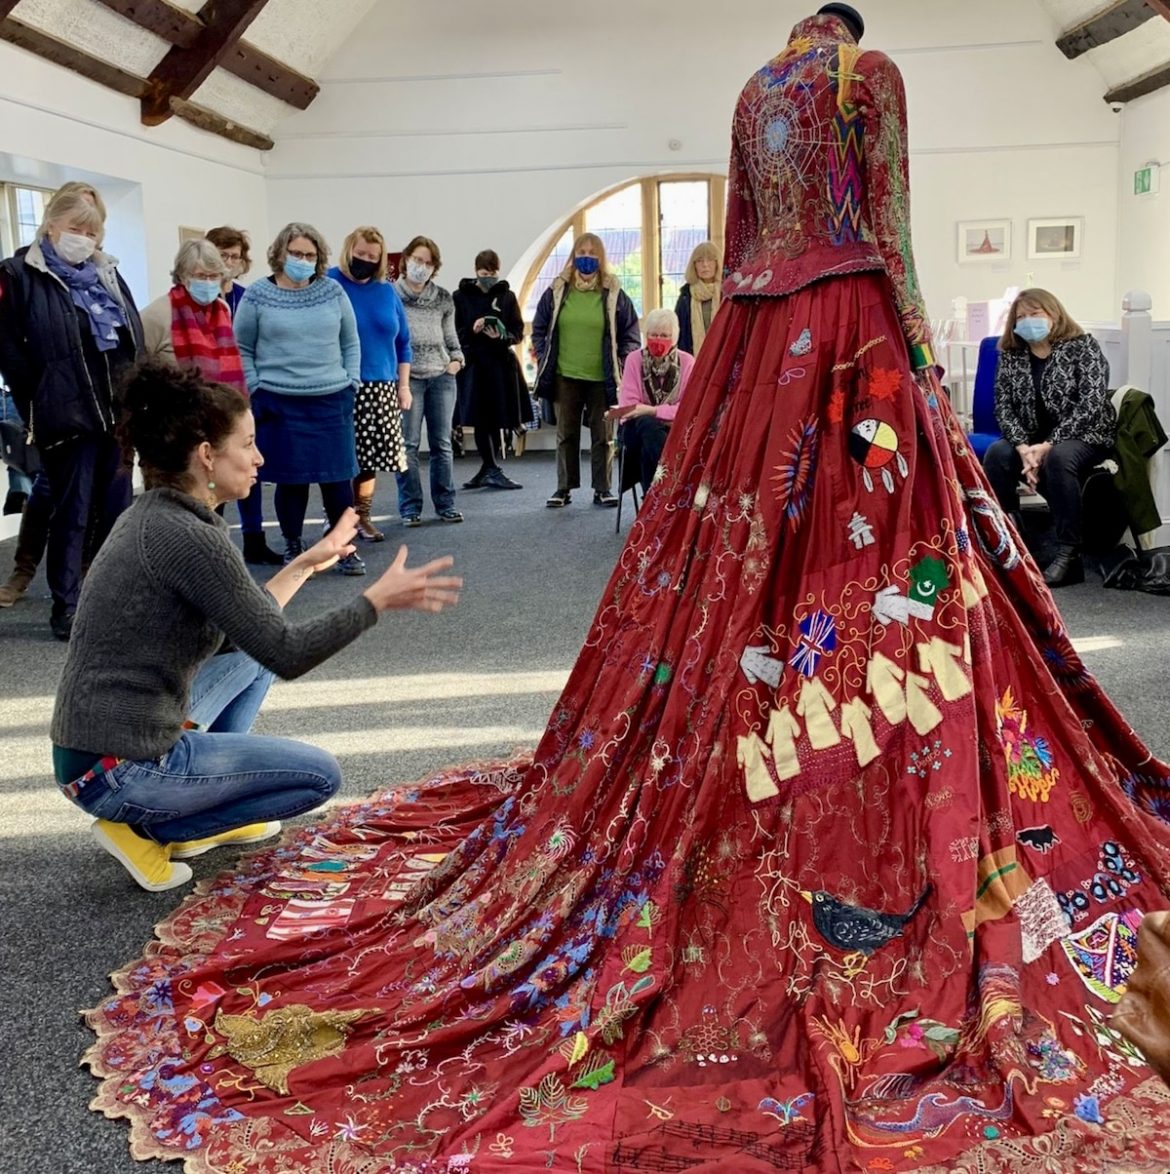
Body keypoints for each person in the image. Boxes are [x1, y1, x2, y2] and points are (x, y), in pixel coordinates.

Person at [81, 5, 1170, 1171]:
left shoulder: (754, 95)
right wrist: (923, 381)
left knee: (730, 567)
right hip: (852, 335)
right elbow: (889, 233)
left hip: (759, 344)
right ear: (847, 31)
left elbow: (753, 232)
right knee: (874, 553)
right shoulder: (872, 76)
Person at [51, 361, 461, 892]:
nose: (259, 457)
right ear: (206, 456)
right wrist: (376, 601)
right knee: (319, 776)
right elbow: (287, 652)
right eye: (247, 444)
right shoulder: (189, 535)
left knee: (249, 653)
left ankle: (192, 794)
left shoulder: (156, 514)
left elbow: (248, 630)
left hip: (94, 747)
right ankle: (154, 828)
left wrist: (305, 565)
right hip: (119, 766)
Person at [0, 182, 142, 640]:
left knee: (116, 510)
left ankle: (107, 597)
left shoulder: (107, 273)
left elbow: (128, 337)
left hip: (117, 413)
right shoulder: (18, 274)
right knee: (72, 511)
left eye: (93, 231)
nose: (85, 238)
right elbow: (9, 350)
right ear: (51, 223)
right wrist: (39, 398)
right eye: (77, 228)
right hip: (65, 415)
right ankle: (68, 605)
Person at [140, 240, 283, 565]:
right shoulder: (158, 314)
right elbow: (138, 374)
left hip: (215, 428)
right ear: (182, 275)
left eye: (213, 276)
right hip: (172, 435)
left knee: (211, 503)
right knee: (175, 511)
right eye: (200, 275)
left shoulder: (222, 310)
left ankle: (203, 565)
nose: (207, 283)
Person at [234, 223, 365, 573]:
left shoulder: (333, 291)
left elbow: (350, 343)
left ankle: (343, 547)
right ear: (280, 253)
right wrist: (255, 387)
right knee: (292, 482)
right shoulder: (258, 295)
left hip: (331, 398)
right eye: (296, 254)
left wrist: (351, 381)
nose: (303, 260)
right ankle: (293, 544)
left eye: (309, 255)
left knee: (338, 482)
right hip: (279, 402)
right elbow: (242, 346)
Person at [982, 288, 1114, 588]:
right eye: (1021, 316)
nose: (1028, 321)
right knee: (997, 455)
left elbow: (1091, 404)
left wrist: (1048, 444)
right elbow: (1003, 406)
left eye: (1035, 313)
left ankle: (1069, 554)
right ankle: (1012, 541)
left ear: (1054, 314)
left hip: (1084, 434)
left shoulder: (1083, 346)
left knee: (1059, 456)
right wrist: (1022, 447)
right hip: (1031, 439)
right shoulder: (1011, 354)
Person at [532, 232, 641, 508]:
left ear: (601, 258)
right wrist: (545, 355)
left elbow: (631, 332)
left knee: (602, 436)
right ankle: (563, 488)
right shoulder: (558, 289)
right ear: (573, 255)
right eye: (582, 252)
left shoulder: (613, 291)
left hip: (601, 376)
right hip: (564, 375)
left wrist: (622, 360)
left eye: (593, 253)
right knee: (565, 434)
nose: (587, 258)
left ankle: (602, 488)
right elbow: (539, 328)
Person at [328, 227, 412, 542]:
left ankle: (361, 516)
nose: (364, 260)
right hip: (342, 383)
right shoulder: (329, 283)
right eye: (360, 253)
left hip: (382, 385)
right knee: (341, 457)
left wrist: (403, 386)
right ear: (349, 249)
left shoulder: (386, 291)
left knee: (370, 458)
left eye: (371, 257)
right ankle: (336, 519)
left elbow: (404, 342)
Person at [394, 235, 464, 526]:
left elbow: (451, 337)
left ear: (434, 267)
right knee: (407, 445)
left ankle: (445, 504)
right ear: (406, 259)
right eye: (417, 260)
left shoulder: (444, 298)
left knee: (442, 444)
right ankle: (410, 506)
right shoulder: (390, 295)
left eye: (427, 262)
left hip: (442, 376)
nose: (421, 266)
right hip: (407, 380)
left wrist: (457, 361)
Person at [454, 249, 527, 491]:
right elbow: (454, 333)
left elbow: (518, 331)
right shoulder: (460, 297)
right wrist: (472, 330)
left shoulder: (507, 296)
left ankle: (491, 467)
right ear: (476, 272)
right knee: (479, 418)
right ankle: (490, 466)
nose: (489, 277)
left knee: (496, 418)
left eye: (493, 273)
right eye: (484, 273)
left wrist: (503, 335)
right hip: (474, 364)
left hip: (500, 365)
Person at [609, 307, 695, 493]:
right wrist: (663, 413)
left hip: (673, 432)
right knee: (647, 426)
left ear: (674, 337)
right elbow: (629, 408)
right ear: (645, 336)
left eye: (664, 335)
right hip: (634, 430)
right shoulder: (634, 360)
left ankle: (652, 503)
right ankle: (669, 484)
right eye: (653, 334)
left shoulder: (687, 362)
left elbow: (688, 409)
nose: (659, 340)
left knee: (648, 444)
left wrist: (651, 410)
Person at [674, 240, 722, 356]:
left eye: (710, 260)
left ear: (717, 263)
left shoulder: (726, 294)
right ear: (694, 265)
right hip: (692, 359)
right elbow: (677, 333)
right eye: (700, 261)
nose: (705, 265)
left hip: (723, 357)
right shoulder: (685, 296)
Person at [205, 226, 251, 318]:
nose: (228, 262)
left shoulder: (247, 297)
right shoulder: (197, 294)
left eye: (234, 257)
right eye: (222, 255)